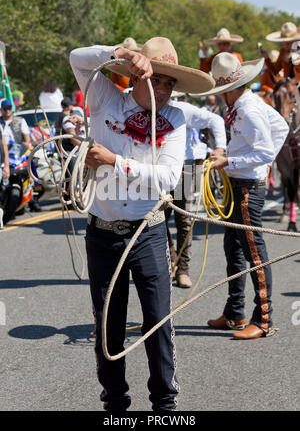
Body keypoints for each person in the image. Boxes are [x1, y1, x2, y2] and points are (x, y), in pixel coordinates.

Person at [69, 36, 214, 411]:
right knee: (106, 324)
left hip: (147, 233)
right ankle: (115, 403)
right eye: (156, 79)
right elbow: (77, 57)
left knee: (157, 322)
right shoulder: (104, 97)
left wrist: (112, 161)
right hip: (102, 232)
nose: (163, 89)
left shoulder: (175, 118)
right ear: (135, 75)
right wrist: (120, 53)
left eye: (169, 83)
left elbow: (168, 179)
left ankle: (165, 405)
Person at [197, 52, 289, 339]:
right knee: (234, 250)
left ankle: (263, 319)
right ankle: (235, 313)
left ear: (228, 89)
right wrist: (231, 155)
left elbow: (262, 152)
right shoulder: (246, 104)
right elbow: (281, 127)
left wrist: (232, 162)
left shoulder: (248, 109)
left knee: (253, 252)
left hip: (248, 187)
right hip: (240, 183)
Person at [165, 92, 226, 288]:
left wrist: (220, 148)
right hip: (156, 170)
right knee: (156, 219)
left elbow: (215, 119)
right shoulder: (142, 106)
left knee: (184, 219)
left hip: (184, 168)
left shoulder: (182, 109)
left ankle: (183, 269)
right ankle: (171, 257)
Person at [0, 98, 42, 212]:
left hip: (18, 149)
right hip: (3, 151)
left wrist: (27, 147)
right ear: (1, 110)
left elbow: (27, 139)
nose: (7, 110)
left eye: (9, 108)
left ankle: (34, 198)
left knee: (32, 165)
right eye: (5, 108)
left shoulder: (20, 120)